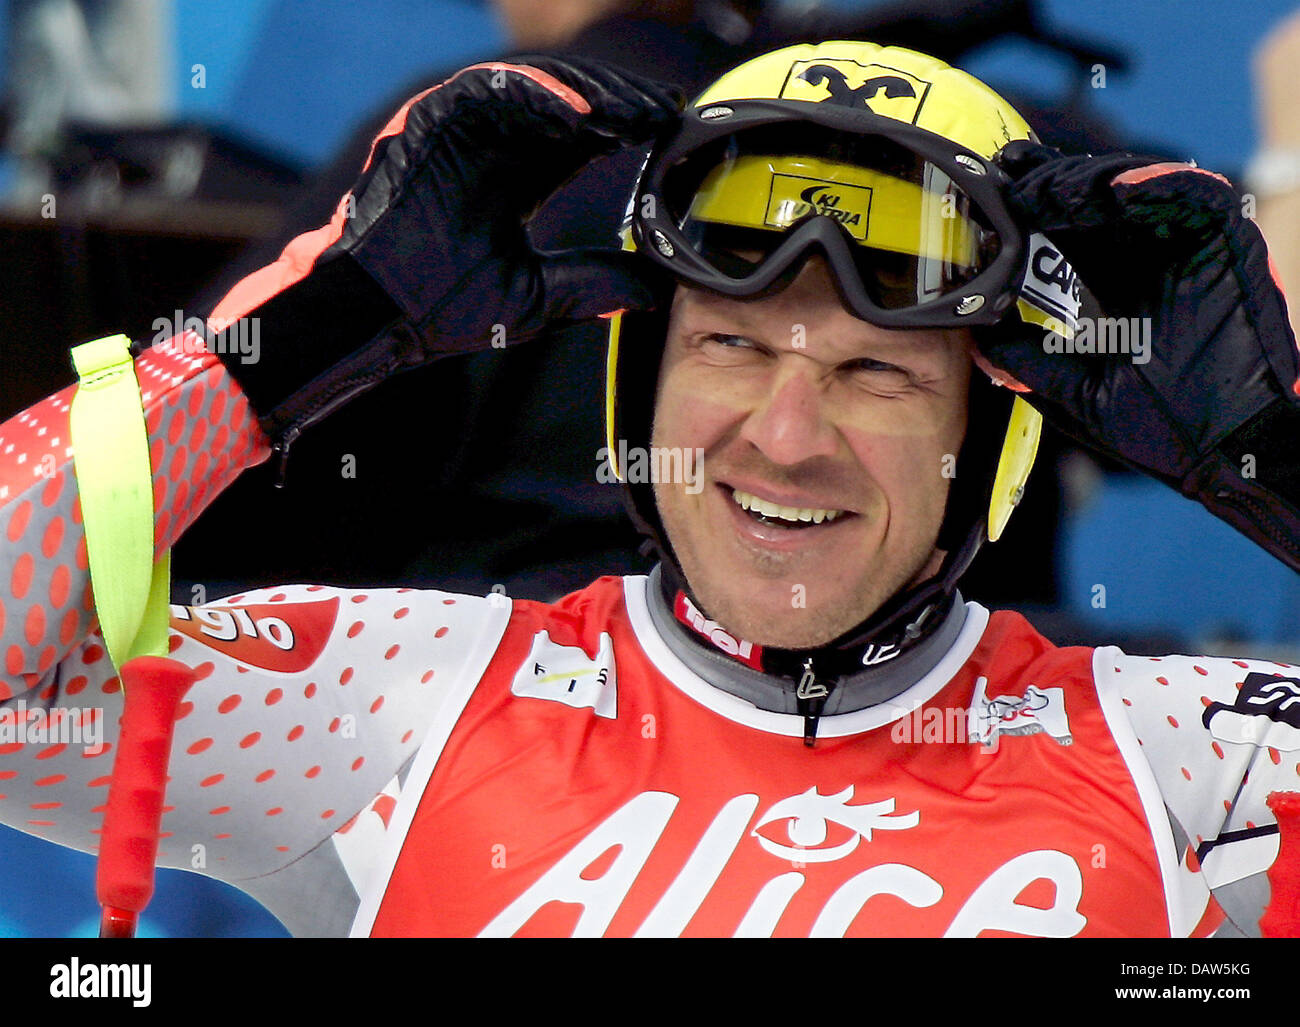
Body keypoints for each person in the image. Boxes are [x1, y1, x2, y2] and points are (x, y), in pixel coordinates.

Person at [0, 41, 1297, 938]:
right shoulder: (402, 700)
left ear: (989, 436)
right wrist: (309, 329)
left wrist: (1272, 464)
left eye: (874, 373)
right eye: (732, 345)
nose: (787, 437)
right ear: (638, 386)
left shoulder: (1186, 760)